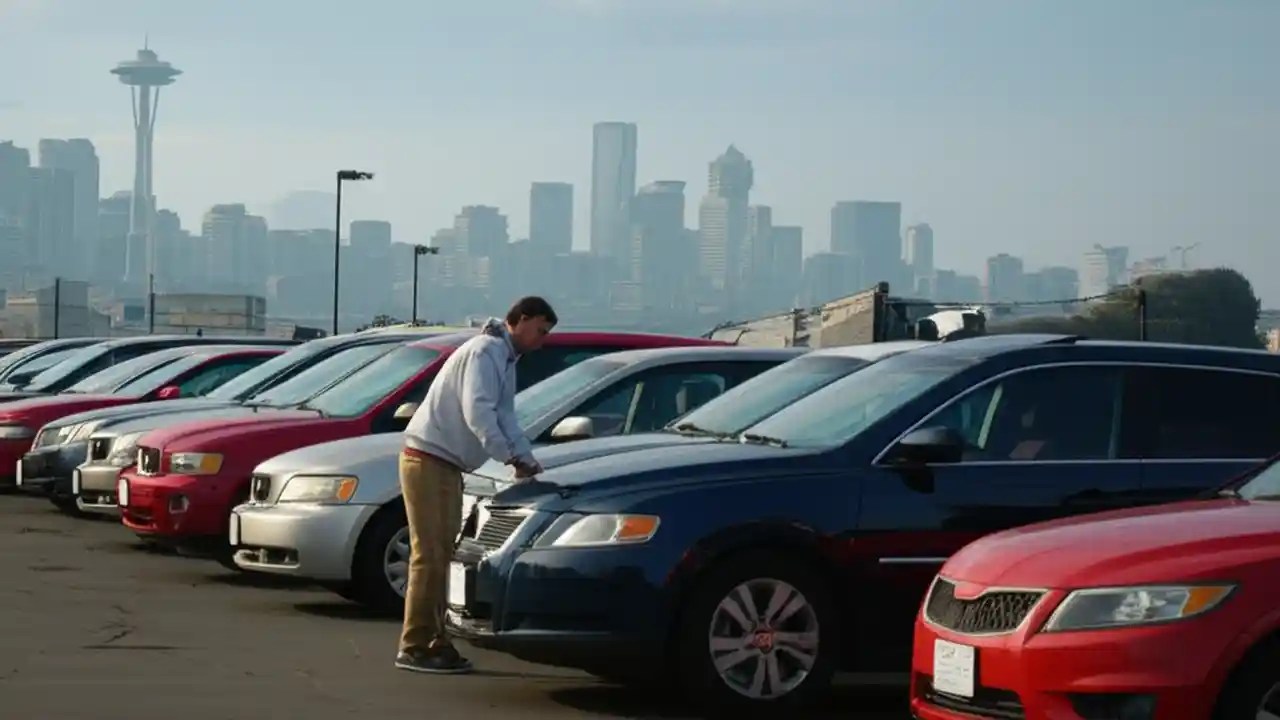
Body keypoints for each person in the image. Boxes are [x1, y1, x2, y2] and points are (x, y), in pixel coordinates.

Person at [395, 296, 557, 674]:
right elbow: (478, 412)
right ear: (521, 319)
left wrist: (527, 459)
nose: (542, 340)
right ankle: (414, 645)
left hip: (446, 465)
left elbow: (506, 416)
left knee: (442, 555)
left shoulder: (505, 358)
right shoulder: (485, 351)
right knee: (429, 556)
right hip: (427, 459)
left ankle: (435, 639)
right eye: (540, 330)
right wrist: (509, 457)